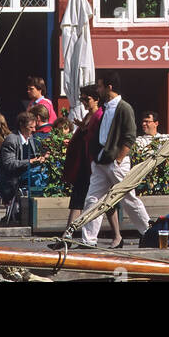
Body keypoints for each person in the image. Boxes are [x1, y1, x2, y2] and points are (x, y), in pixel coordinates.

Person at [79, 73, 152, 247]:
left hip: (115, 161)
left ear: (109, 87)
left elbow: (129, 136)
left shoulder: (124, 108)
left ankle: (149, 232)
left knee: (128, 198)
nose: (98, 89)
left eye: (100, 86)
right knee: (93, 199)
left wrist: (119, 159)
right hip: (101, 160)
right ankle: (88, 240)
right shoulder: (105, 107)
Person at [65, 84, 102, 230]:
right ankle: (67, 235)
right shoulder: (88, 115)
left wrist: (84, 129)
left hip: (91, 165)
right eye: (82, 99)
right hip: (83, 165)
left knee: (100, 202)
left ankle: (117, 236)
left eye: (86, 99)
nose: (84, 102)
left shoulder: (99, 115)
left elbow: (95, 137)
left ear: (96, 99)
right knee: (77, 199)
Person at [0, 111, 39, 207]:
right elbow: (9, 164)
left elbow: (34, 156)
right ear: (21, 125)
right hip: (12, 179)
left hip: (26, 175)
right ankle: (26, 211)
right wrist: (29, 162)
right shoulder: (11, 140)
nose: (34, 130)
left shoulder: (31, 138)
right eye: (31, 127)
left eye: (35, 127)